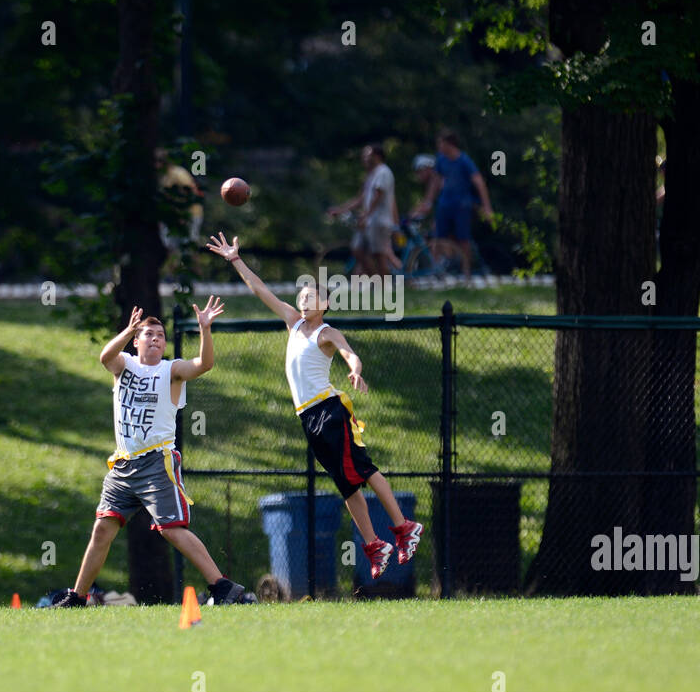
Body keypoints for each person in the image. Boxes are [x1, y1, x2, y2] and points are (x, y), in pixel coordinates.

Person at [205, 231, 424, 578]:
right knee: (347, 483)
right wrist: (235, 260)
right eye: (302, 295)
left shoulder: (326, 333)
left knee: (364, 469)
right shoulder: (293, 324)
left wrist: (354, 371)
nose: (305, 300)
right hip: (308, 418)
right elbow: (261, 290)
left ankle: (403, 527)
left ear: (325, 305)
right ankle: (373, 545)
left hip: (331, 410)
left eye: (312, 296)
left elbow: (350, 354)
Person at [51, 298, 254, 607]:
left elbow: (204, 365)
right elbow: (105, 356)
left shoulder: (171, 370)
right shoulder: (125, 365)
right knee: (102, 528)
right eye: (149, 334)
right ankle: (77, 597)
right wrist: (127, 330)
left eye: (160, 335)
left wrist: (205, 330)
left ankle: (223, 587)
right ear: (136, 341)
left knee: (171, 530)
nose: (156, 339)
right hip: (122, 465)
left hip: (157, 462)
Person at [409, 130, 494, 280]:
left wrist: (487, 207)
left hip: (462, 205)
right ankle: (435, 271)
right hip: (444, 204)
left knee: (463, 239)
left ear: (449, 144)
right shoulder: (441, 160)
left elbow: (479, 182)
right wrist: (428, 201)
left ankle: (466, 272)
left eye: (440, 143)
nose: (438, 146)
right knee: (438, 237)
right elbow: (435, 181)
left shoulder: (464, 161)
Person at [328, 145, 398, 279]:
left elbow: (378, 196)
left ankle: (385, 287)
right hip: (369, 221)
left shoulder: (383, 172)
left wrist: (366, 215)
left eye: (368, 155)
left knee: (379, 255)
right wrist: (341, 209)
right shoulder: (371, 175)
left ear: (377, 156)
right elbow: (361, 198)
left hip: (379, 221)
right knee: (357, 250)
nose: (364, 158)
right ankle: (376, 281)